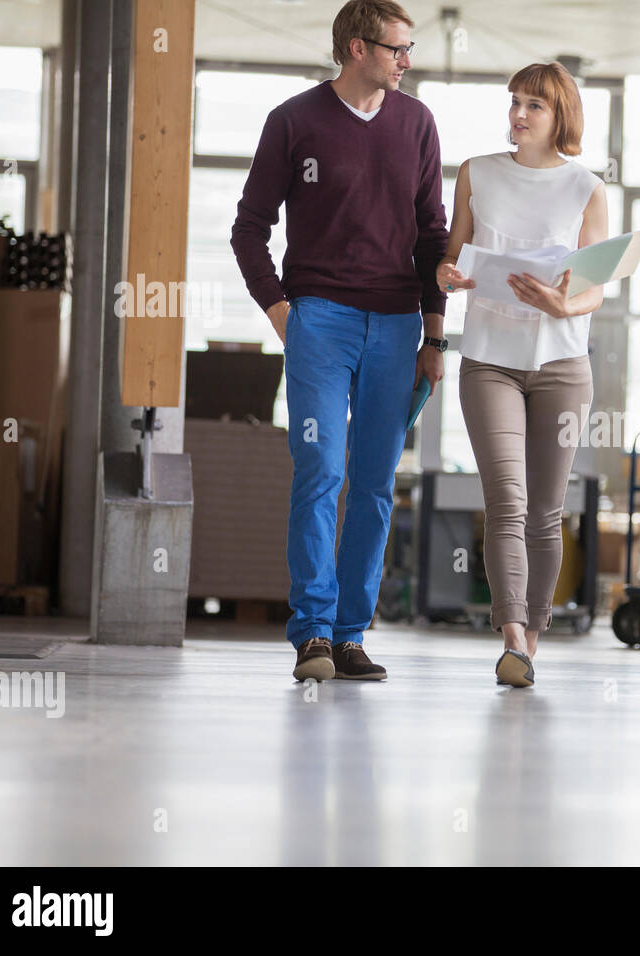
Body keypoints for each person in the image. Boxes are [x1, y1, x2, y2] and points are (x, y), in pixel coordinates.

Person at [230, 0, 449, 682]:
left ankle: (352, 634)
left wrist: (434, 332)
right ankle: (314, 633)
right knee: (321, 470)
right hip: (319, 319)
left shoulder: (417, 123)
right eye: (397, 49)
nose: (407, 61)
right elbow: (249, 228)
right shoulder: (293, 120)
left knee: (377, 484)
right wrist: (281, 312)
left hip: (396, 324)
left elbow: (433, 234)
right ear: (357, 48)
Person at [437, 62, 609, 688]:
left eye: (534, 105)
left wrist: (564, 303)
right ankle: (511, 635)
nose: (518, 114)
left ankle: (530, 643)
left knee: (545, 512)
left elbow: (592, 291)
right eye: (514, 102)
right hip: (490, 361)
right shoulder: (476, 173)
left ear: (559, 114)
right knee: (505, 503)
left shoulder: (587, 188)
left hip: (564, 366)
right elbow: (452, 254)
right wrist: (445, 275)